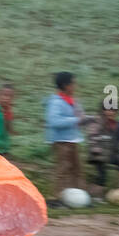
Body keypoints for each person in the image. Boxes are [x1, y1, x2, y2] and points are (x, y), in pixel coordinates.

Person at [44, 71, 90, 205]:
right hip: (61, 142)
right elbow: (54, 121)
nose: (75, 86)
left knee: (77, 169)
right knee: (62, 169)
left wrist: (86, 119)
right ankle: (58, 197)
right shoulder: (56, 102)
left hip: (73, 140)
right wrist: (76, 119)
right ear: (65, 85)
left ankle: (81, 197)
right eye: (73, 83)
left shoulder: (73, 101)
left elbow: (80, 117)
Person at [85, 105, 119, 196]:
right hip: (97, 155)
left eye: (112, 110)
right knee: (102, 173)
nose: (109, 112)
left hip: (109, 154)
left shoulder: (115, 124)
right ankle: (97, 195)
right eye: (107, 110)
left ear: (116, 112)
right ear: (101, 110)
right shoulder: (96, 122)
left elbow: (116, 142)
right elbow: (92, 137)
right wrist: (96, 149)